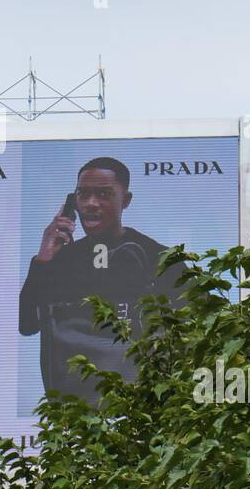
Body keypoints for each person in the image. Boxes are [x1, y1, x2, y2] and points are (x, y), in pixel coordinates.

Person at [18, 157, 186, 404]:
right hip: (74, 415)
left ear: (125, 200)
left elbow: (194, 332)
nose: (90, 203)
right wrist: (43, 259)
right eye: (83, 195)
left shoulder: (157, 257)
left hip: (141, 409)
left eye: (103, 194)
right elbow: (28, 324)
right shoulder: (58, 260)